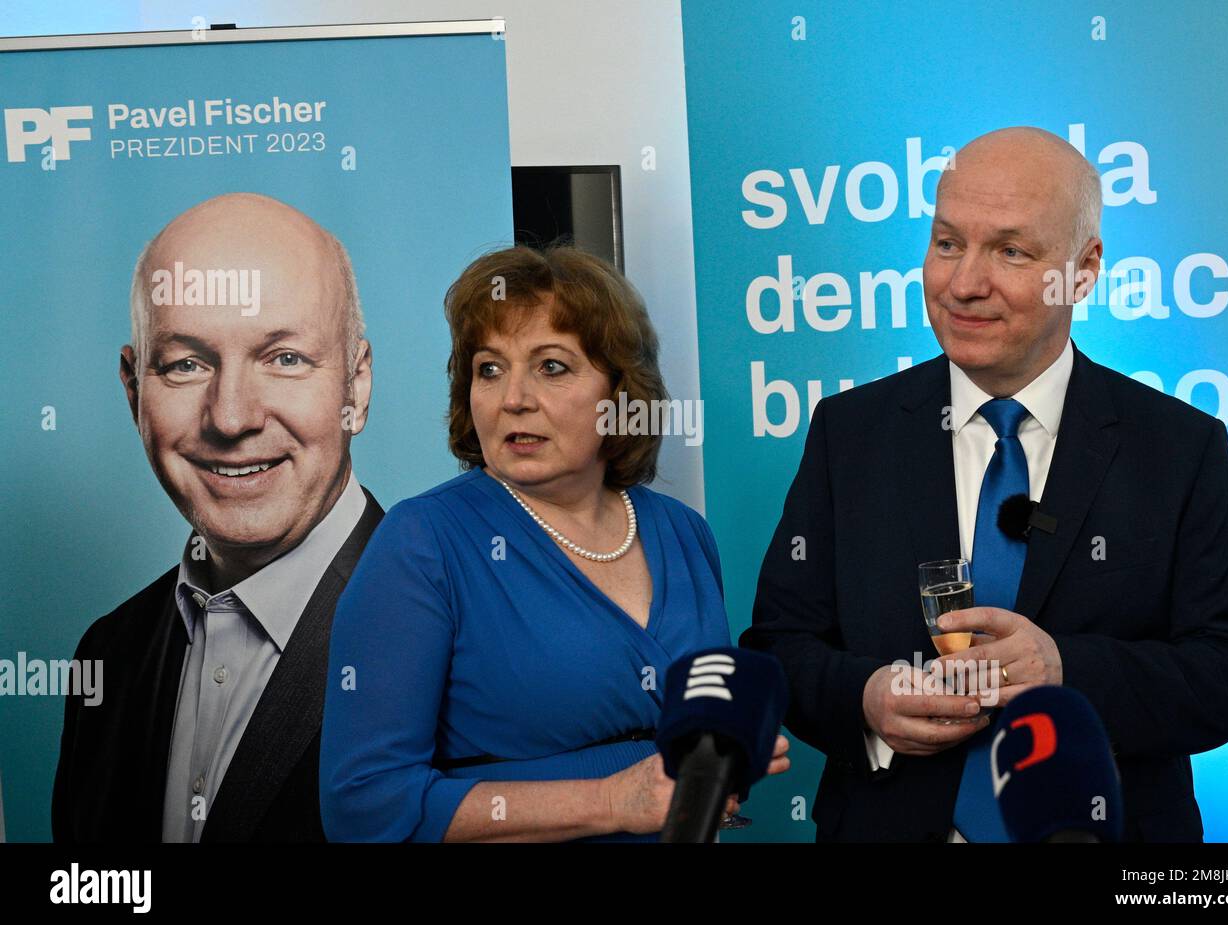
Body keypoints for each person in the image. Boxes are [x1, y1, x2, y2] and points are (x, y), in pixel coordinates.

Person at [742, 127, 1228, 842]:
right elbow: (779, 645)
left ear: (1083, 271)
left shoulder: (1179, 448)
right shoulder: (851, 432)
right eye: (946, 243)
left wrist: (1065, 668)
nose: (965, 282)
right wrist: (867, 700)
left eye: (1010, 251)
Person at [320, 244, 789, 842]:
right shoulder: (422, 543)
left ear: (621, 392)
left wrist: (723, 759)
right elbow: (362, 804)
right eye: (489, 368)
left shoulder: (682, 531)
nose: (513, 398)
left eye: (551, 367)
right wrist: (611, 800)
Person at [52, 193, 383, 843]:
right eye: (186, 364)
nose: (231, 417)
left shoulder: (471, 645)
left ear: (356, 385)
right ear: (133, 390)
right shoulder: (107, 657)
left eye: (284, 358)